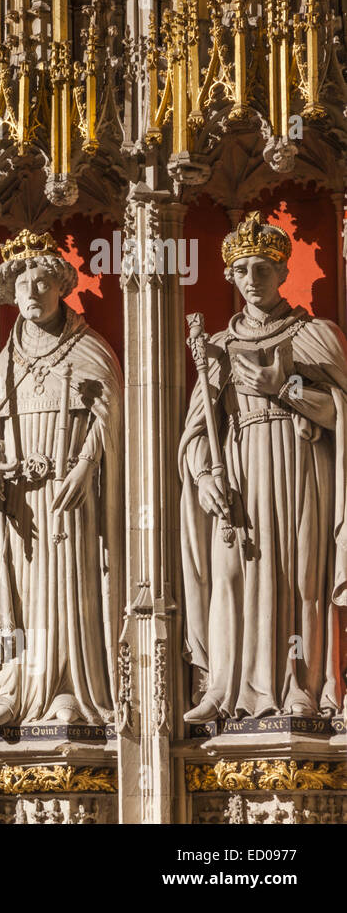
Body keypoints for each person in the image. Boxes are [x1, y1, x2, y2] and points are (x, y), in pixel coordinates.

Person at [180, 212, 347, 721]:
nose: (252, 279)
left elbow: (340, 410)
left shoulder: (316, 335)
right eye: (242, 270)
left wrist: (286, 389)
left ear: (282, 273)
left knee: (298, 578)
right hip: (241, 471)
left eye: (263, 268)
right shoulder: (218, 348)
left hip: (300, 467)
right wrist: (205, 476)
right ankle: (227, 686)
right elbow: (195, 433)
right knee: (233, 577)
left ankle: (302, 683)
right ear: (230, 277)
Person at [0, 230, 124, 729]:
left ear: (61, 288)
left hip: (69, 495)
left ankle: (67, 690)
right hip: (17, 498)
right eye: (21, 285)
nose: (30, 293)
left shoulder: (90, 349)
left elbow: (113, 422)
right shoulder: (4, 361)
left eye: (40, 283)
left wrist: (86, 466)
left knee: (66, 587)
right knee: (14, 586)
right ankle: (12, 686)